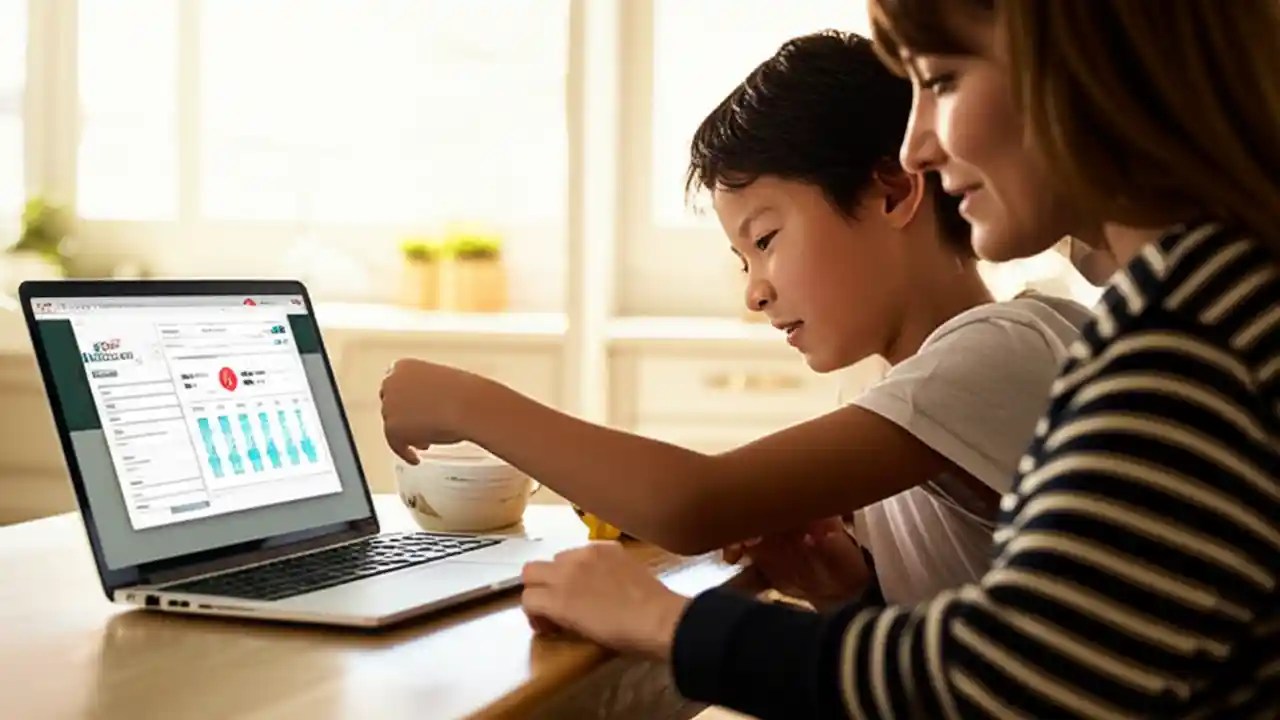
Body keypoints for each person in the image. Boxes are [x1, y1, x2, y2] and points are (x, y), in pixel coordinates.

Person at [517, 2, 1280, 718]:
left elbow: (1008, 682)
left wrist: (669, 624)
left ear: (1084, 62)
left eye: (942, 80)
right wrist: (854, 600)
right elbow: (1082, 658)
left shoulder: (1191, 331)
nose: (918, 145)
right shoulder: (1189, 307)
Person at [381, 31, 1092, 608]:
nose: (754, 292)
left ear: (891, 191)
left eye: (767, 240)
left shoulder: (999, 352)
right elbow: (954, 649)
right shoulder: (913, 384)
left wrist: (464, 402)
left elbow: (697, 503)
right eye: (742, 258)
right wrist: (846, 590)